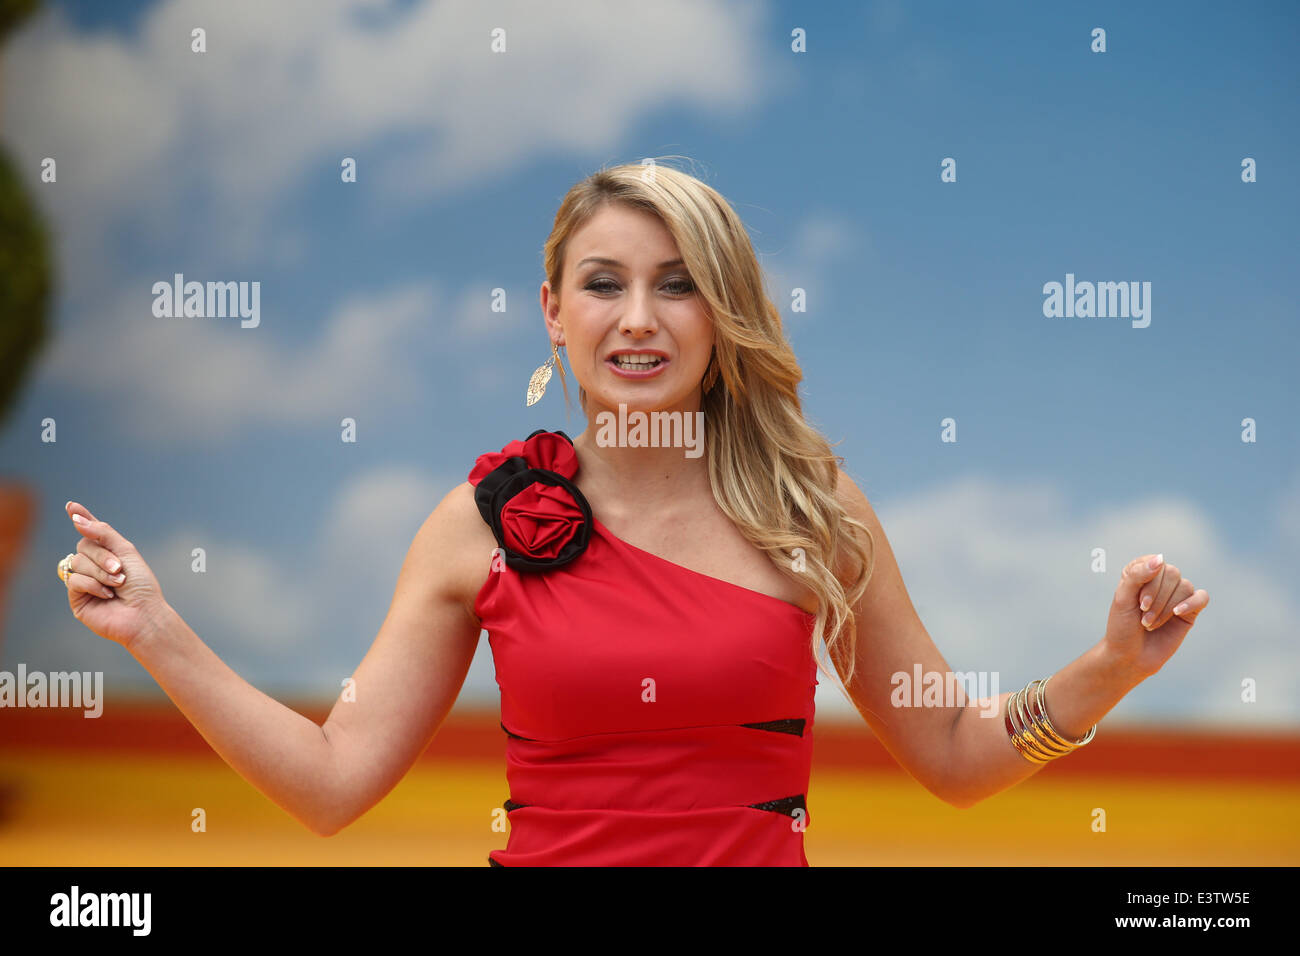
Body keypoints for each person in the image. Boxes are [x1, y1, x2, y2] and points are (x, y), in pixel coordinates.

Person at [58, 160, 1210, 866]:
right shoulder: (477, 521)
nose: (639, 317)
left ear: (724, 313)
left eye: (678, 282)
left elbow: (954, 756)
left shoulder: (812, 505)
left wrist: (1111, 665)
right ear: (552, 312)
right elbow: (330, 781)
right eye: (604, 282)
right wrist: (158, 630)